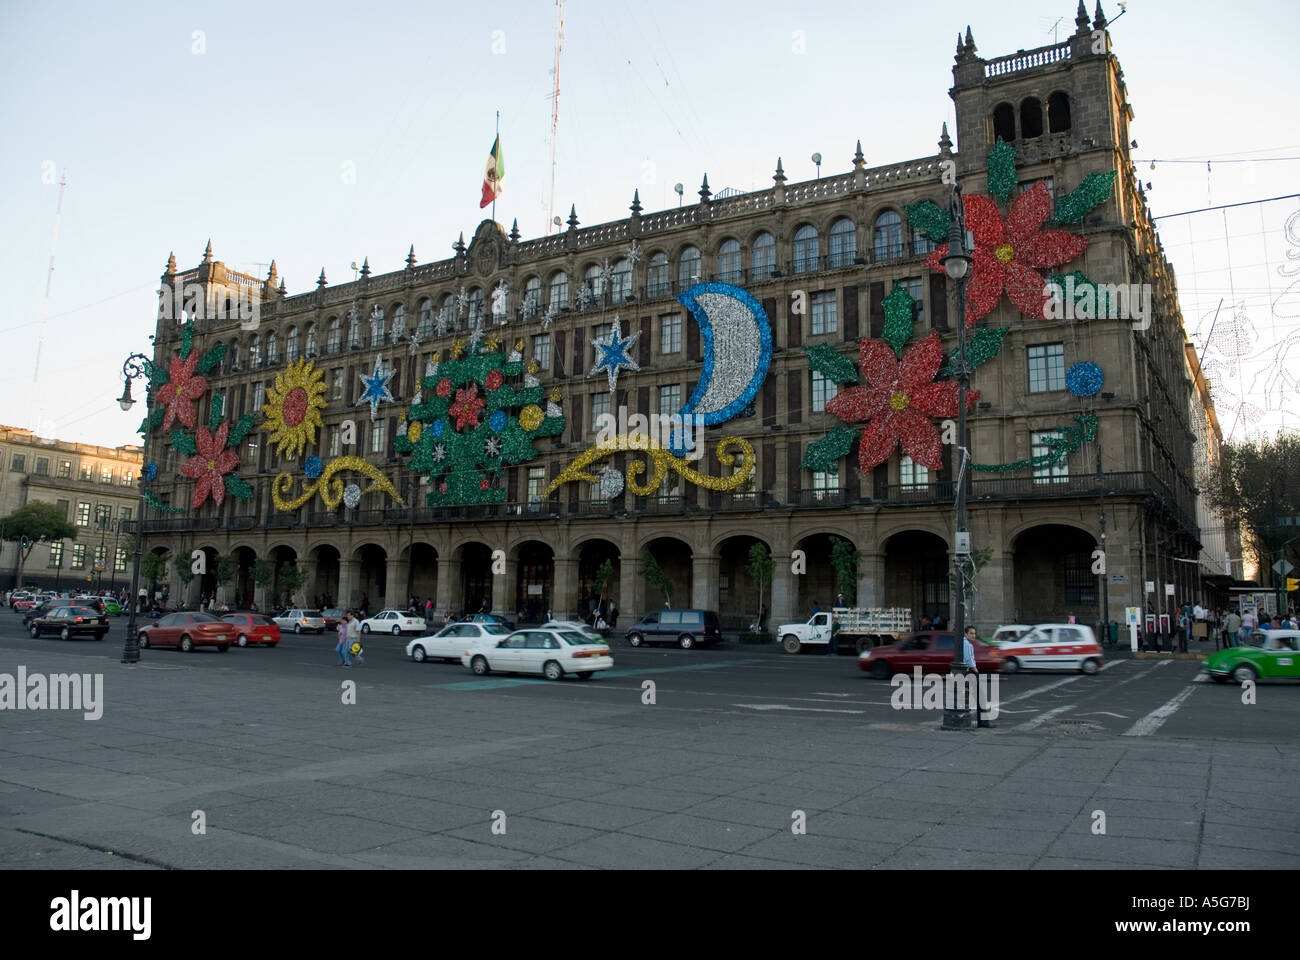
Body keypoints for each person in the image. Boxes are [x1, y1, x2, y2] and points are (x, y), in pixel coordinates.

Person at [963, 626, 992, 727]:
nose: (973, 635)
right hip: (970, 672)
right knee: (981, 697)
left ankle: (983, 722)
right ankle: (983, 722)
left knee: (978, 697)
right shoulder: (967, 645)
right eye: (971, 633)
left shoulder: (965, 643)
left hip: (965, 673)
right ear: (966, 634)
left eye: (974, 633)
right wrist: (975, 669)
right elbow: (969, 659)